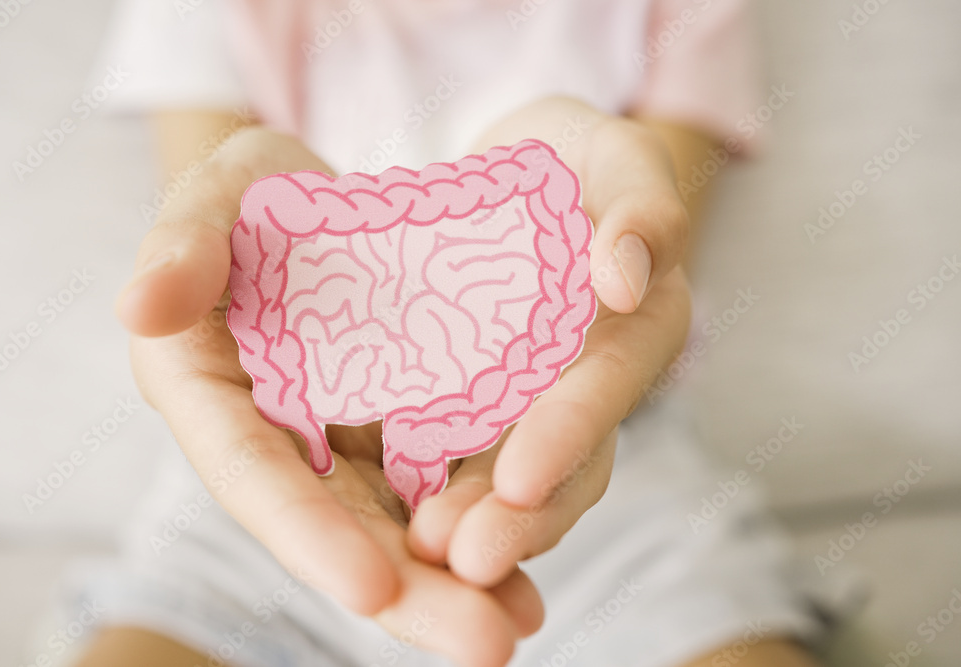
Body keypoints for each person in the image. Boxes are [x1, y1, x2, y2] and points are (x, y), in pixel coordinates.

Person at [61, 1, 847, 665]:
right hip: (267, 466)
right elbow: (222, 240)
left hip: (601, 443)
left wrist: (583, 184)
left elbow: (640, 257)